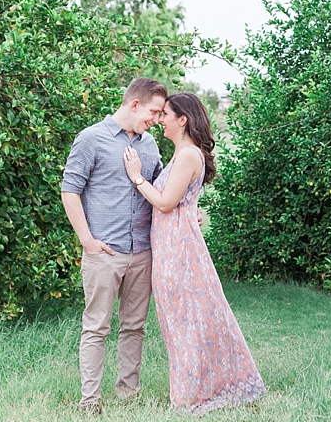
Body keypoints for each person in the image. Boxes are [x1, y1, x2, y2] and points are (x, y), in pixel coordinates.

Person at [122, 92, 265, 415]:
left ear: (182, 120)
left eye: (166, 115)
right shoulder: (183, 154)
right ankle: (197, 387)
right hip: (173, 244)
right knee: (182, 321)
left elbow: (165, 202)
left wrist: (137, 177)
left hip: (179, 251)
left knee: (185, 322)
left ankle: (190, 395)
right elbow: (184, 201)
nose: (160, 121)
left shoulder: (188, 155)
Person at [60, 77, 167, 413]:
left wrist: (187, 215)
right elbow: (69, 190)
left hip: (142, 253)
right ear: (134, 104)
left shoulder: (150, 146)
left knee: (135, 327)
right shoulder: (91, 138)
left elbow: (163, 189)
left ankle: (128, 395)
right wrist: (87, 241)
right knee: (96, 327)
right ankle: (89, 401)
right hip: (104, 253)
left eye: (162, 113)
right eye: (154, 111)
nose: (157, 119)